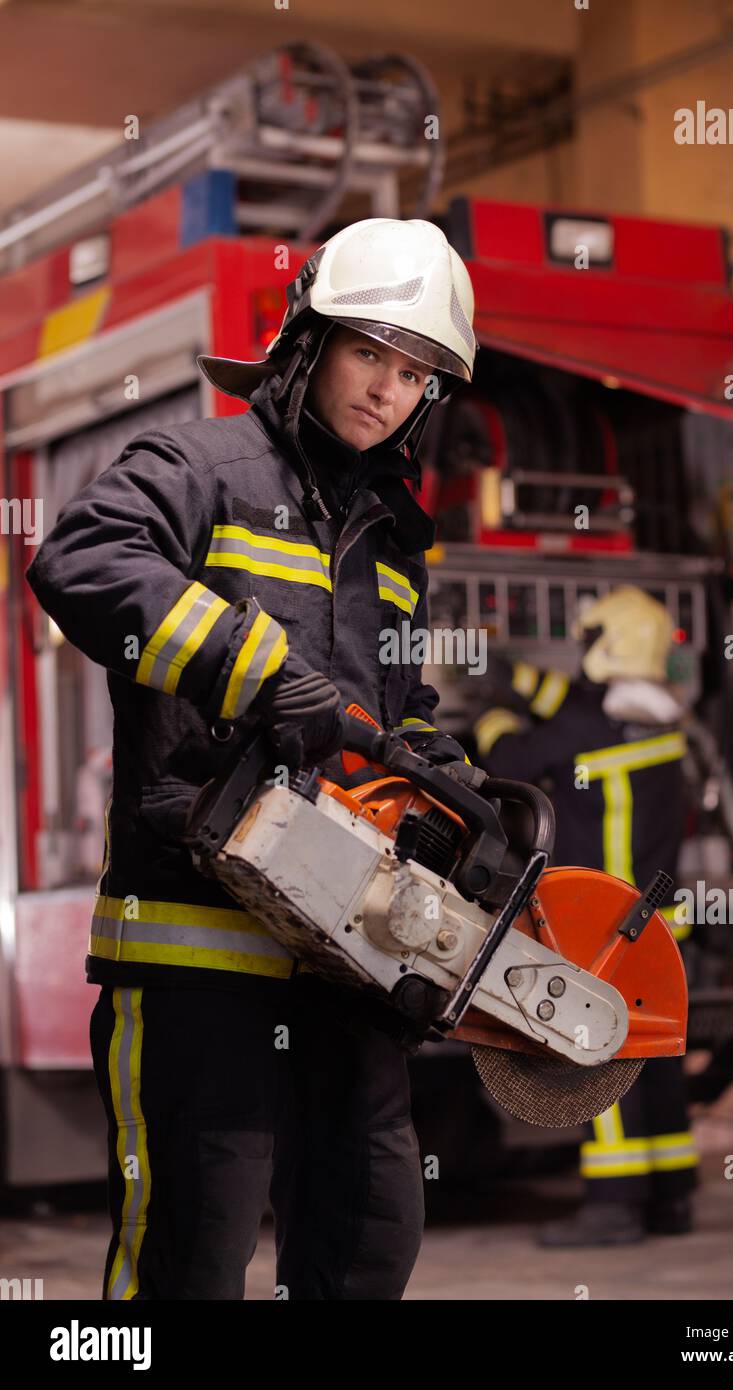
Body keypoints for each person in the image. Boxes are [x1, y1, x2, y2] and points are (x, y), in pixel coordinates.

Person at [26, 218, 476, 1299]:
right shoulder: (201, 466)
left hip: (343, 957)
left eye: (414, 372)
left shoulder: (396, 538)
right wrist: (250, 665)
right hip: (195, 950)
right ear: (307, 340)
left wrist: (446, 780)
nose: (386, 390)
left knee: (368, 1230)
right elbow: (79, 558)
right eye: (370, 352)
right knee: (191, 1249)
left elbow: (393, 709)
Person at [473, 586, 699, 1246]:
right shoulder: (656, 719)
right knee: (658, 1061)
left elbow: (509, 760)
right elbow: (572, 703)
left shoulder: (585, 731)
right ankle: (671, 1198)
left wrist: (491, 712)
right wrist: (511, 670)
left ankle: (614, 1208)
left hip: (603, 932)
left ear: (607, 646)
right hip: (656, 931)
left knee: (599, 1065)